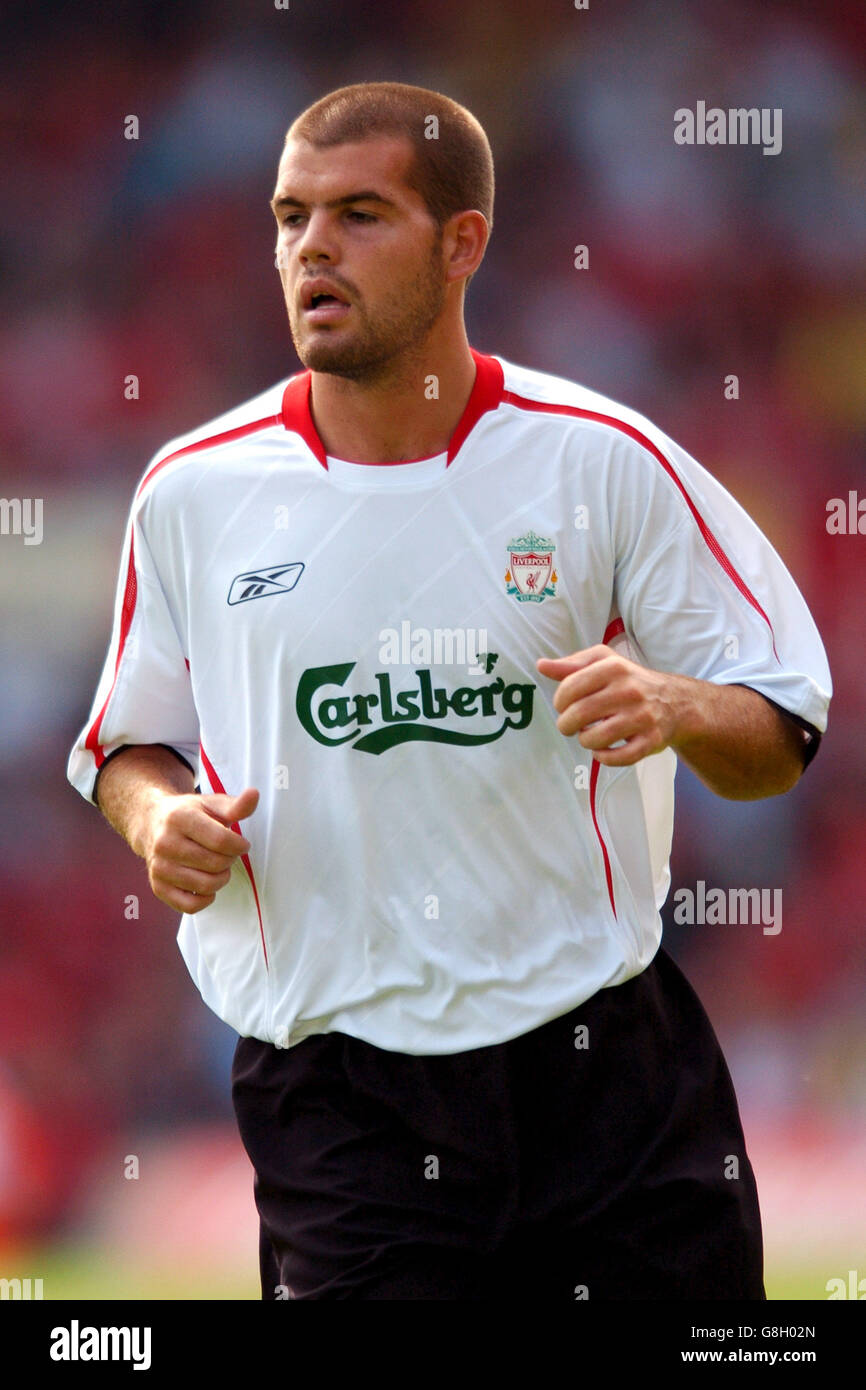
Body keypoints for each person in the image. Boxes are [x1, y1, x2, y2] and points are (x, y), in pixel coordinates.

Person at [67, 81, 831, 1301]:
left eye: (359, 213)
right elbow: (125, 746)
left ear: (461, 241)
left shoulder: (599, 458)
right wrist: (158, 819)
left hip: (605, 1077)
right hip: (343, 1105)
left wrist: (675, 705)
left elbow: (779, 727)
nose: (311, 247)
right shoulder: (191, 492)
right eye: (289, 217)